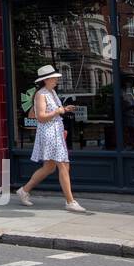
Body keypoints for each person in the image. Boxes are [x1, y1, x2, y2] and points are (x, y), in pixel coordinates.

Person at [16, 65, 91, 213]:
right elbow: (41, 117)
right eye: (55, 78)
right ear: (46, 79)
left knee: (49, 167)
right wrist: (58, 111)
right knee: (63, 165)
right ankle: (70, 201)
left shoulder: (51, 92)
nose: (57, 80)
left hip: (56, 132)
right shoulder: (41, 94)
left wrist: (64, 109)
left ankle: (24, 191)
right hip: (49, 133)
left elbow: (55, 112)